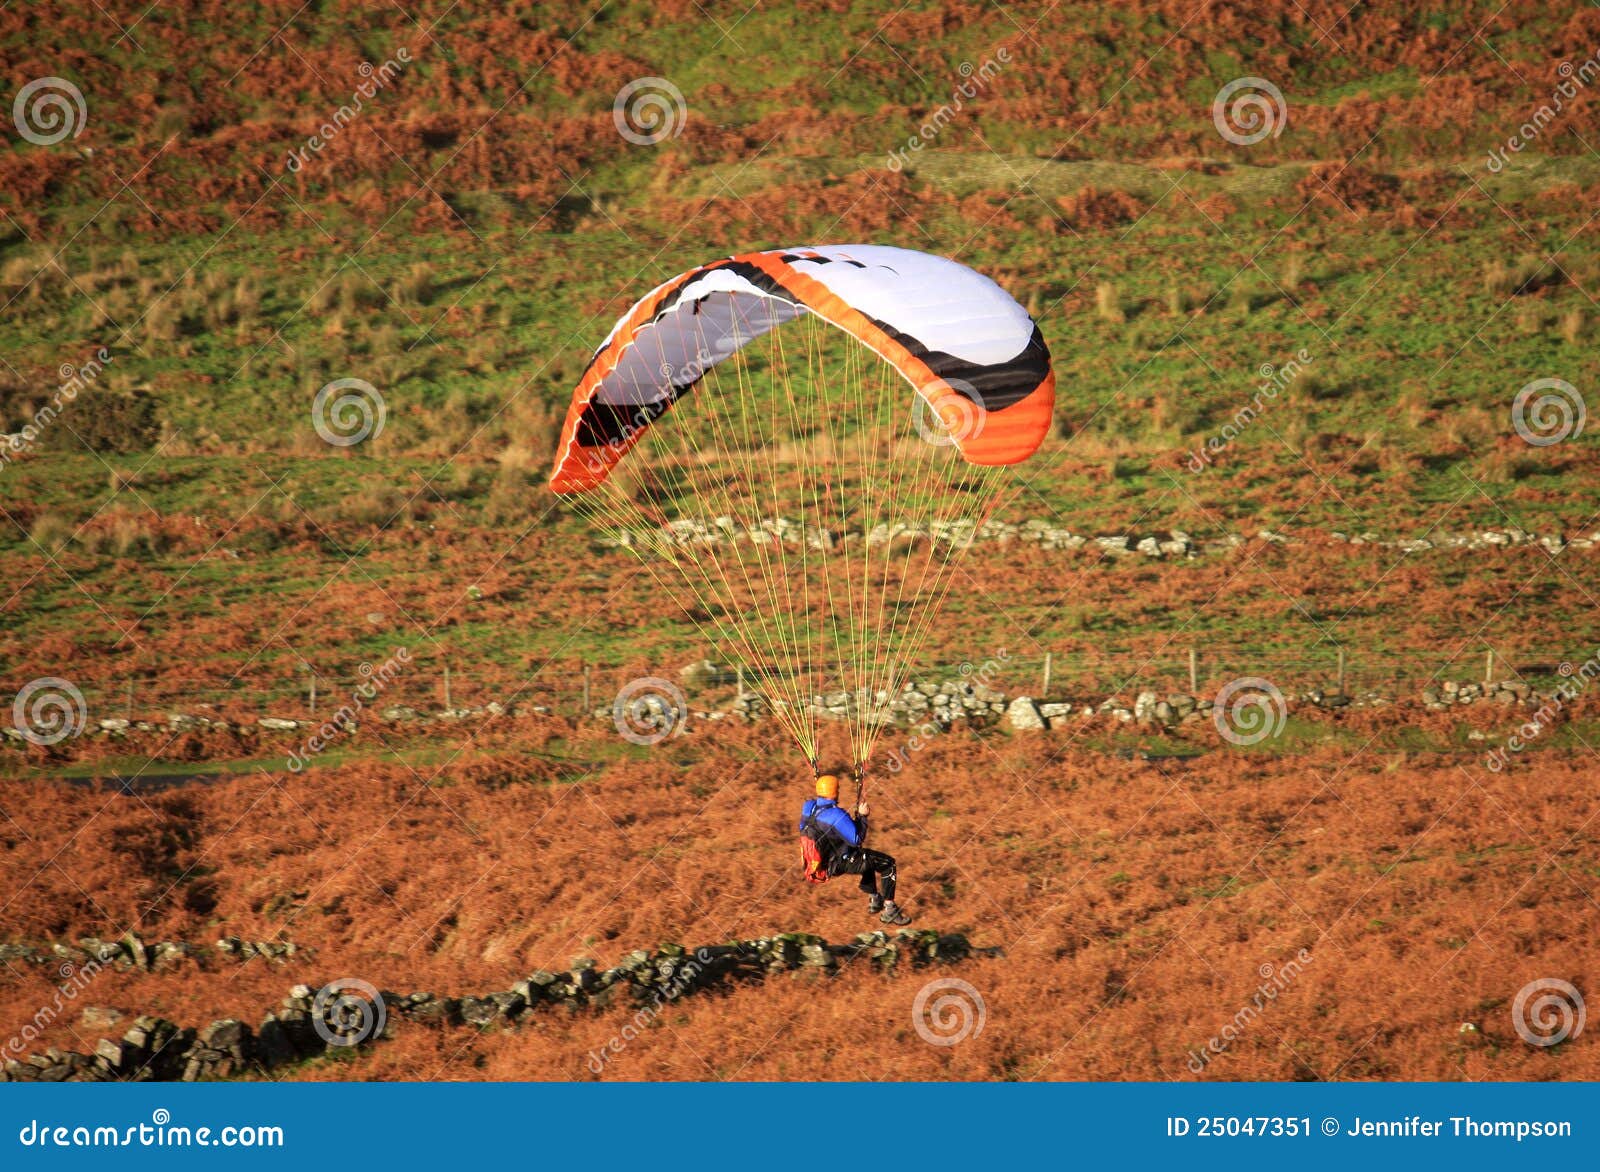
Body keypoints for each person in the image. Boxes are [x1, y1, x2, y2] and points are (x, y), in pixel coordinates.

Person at [798, 772, 911, 925]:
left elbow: (815, 807)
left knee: (868, 859)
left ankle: (875, 899)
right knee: (888, 864)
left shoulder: (808, 807)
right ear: (835, 792)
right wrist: (863, 817)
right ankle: (889, 910)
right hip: (843, 862)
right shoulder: (836, 815)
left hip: (826, 863)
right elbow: (857, 840)